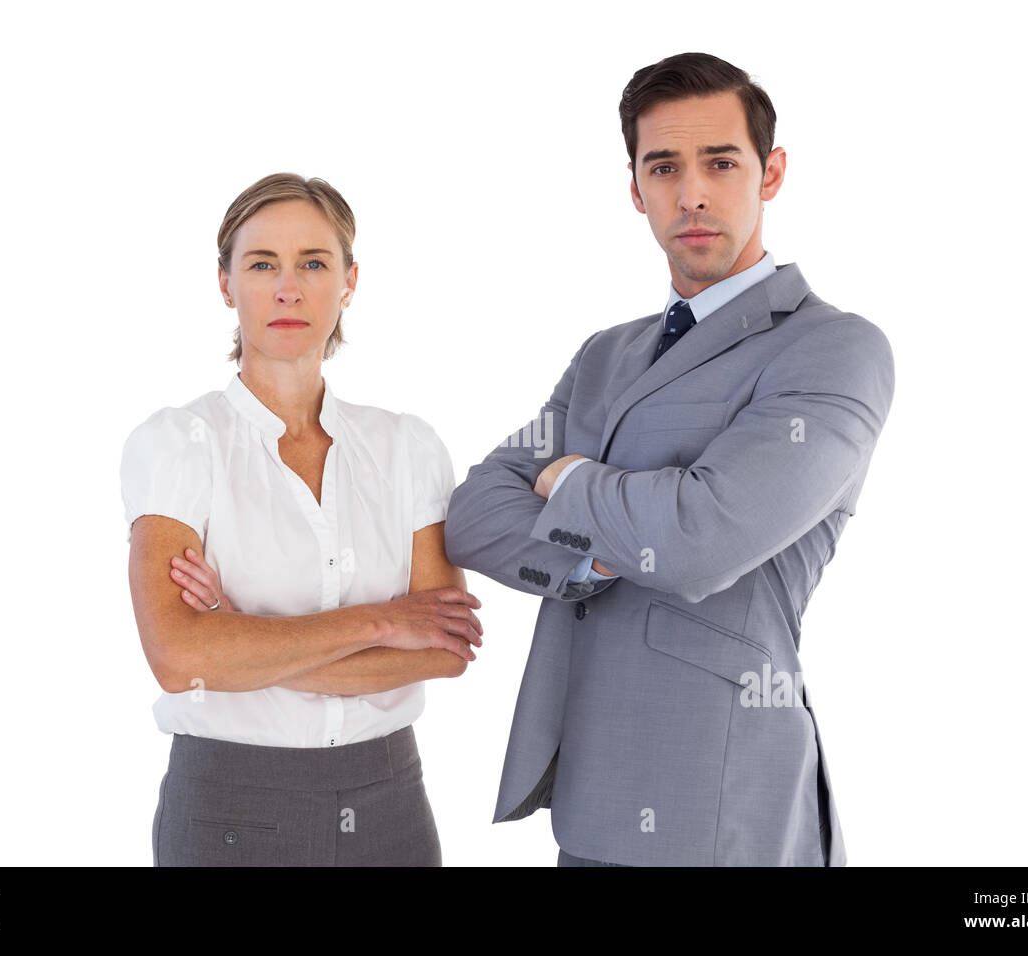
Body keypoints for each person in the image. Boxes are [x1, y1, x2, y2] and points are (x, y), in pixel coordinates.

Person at [443, 52, 896, 866]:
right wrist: (597, 562)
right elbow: (475, 514)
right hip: (587, 796)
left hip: (722, 803)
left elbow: (700, 539)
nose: (692, 193)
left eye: (721, 163)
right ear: (635, 188)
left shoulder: (833, 350)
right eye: (665, 167)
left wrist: (567, 480)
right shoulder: (603, 356)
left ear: (772, 172)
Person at [120, 172, 483, 866]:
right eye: (262, 264)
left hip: (392, 809)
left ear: (350, 280)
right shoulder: (177, 444)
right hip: (231, 809)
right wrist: (382, 621)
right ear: (226, 283)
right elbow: (179, 658)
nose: (289, 288)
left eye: (313, 263)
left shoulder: (407, 447)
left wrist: (243, 641)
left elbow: (444, 648)